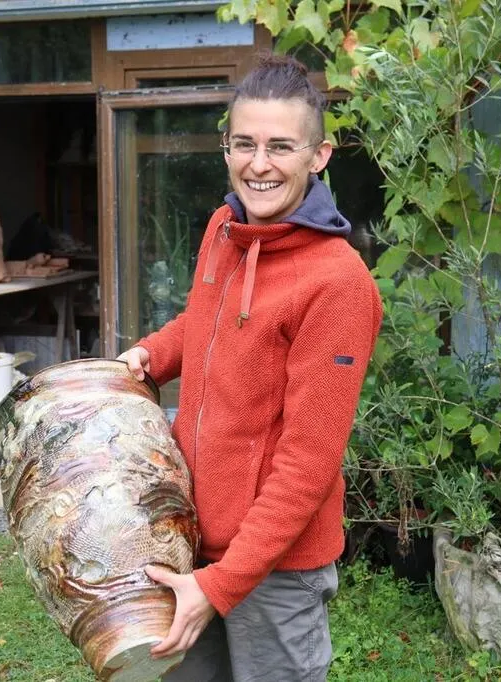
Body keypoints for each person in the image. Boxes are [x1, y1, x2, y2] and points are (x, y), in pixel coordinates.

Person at [118, 54, 382, 682]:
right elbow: (203, 323)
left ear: (318, 156)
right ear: (227, 147)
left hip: (276, 568)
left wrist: (224, 582)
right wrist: (148, 357)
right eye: (244, 144)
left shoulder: (337, 284)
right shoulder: (224, 228)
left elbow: (308, 464)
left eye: (280, 147)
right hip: (187, 538)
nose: (258, 165)